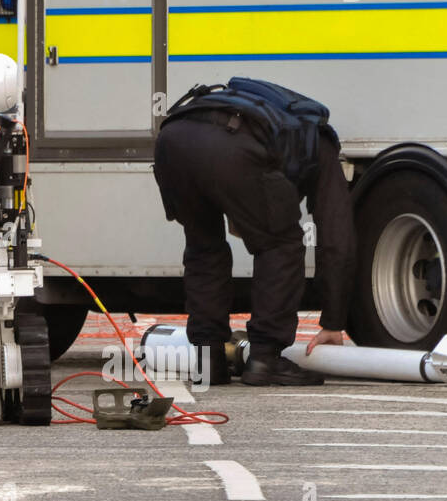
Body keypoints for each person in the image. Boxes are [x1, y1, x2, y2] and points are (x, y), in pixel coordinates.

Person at [152, 80, 354, 387]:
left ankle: (209, 361)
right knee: (281, 245)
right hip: (230, 148)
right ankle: (265, 359)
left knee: (204, 247)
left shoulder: (274, 124)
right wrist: (334, 322)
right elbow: (337, 239)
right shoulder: (320, 146)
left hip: (173, 139)